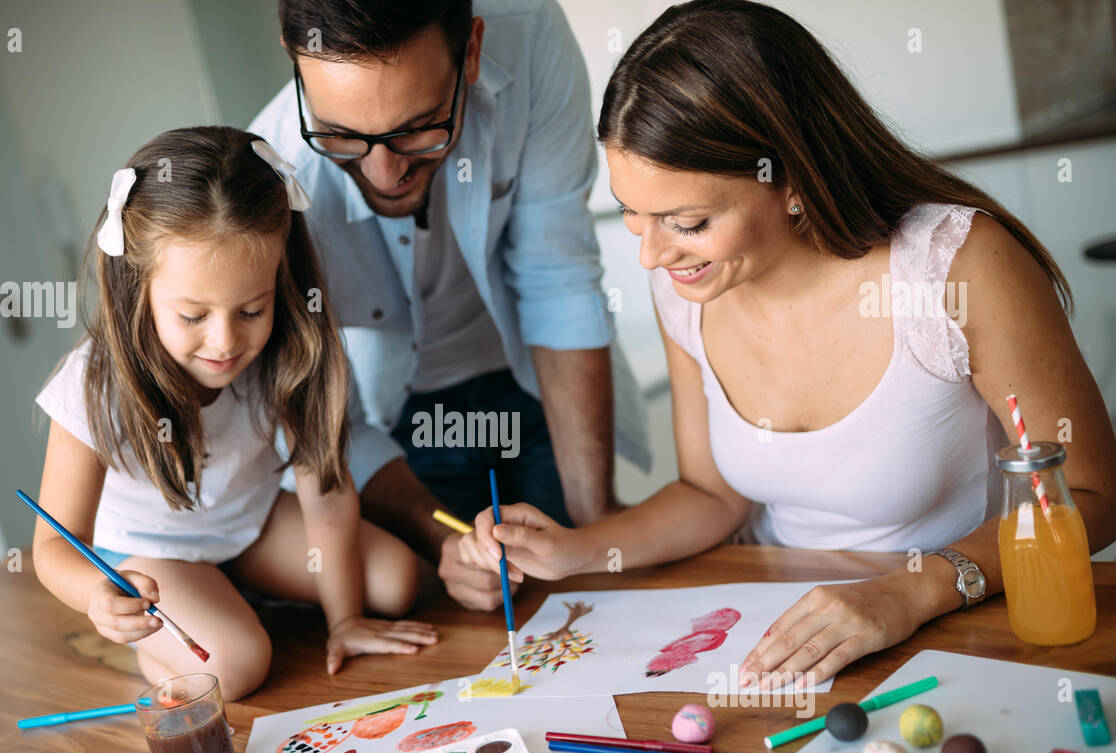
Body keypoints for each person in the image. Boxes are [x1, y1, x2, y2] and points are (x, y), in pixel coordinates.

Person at [461, 0, 1116, 687]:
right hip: (769, 626)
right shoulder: (689, 290)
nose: (651, 255)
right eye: (632, 213)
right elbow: (711, 495)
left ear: (793, 182)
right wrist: (575, 549)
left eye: (685, 221)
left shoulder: (957, 267)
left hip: (966, 628)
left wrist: (910, 589)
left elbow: (1093, 493)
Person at [250, 0, 652, 612]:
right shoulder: (276, 182)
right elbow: (330, 416)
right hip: (394, 417)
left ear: (471, 52)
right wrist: (448, 541)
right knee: (455, 611)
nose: (384, 172)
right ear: (294, 60)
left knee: (582, 598)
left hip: (537, 382)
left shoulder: (533, 34)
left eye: (419, 126)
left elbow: (558, 280)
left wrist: (597, 523)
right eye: (342, 136)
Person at [32, 126, 435, 699]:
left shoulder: (288, 348)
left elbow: (325, 489)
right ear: (137, 288)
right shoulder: (94, 381)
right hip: (151, 555)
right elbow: (52, 546)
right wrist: (98, 594)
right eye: (192, 316)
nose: (225, 342)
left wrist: (345, 621)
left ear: (280, 278)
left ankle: (229, 589)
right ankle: (170, 638)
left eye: (252, 308)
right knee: (239, 663)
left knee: (395, 583)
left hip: (248, 524)